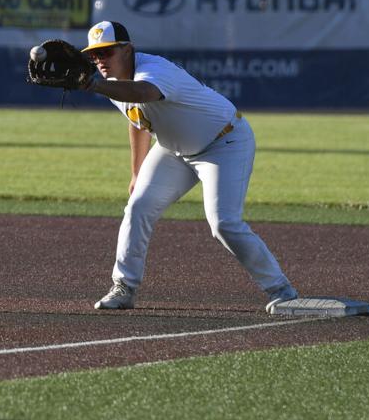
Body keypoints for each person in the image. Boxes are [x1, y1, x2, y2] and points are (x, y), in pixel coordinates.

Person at [79, 20, 298, 313]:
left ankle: (281, 290)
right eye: (94, 55)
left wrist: (93, 84)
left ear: (128, 50)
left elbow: (143, 94)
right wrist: (136, 171)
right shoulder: (114, 84)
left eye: (106, 52)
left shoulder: (155, 70)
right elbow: (137, 119)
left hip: (224, 144)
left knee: (223, 223)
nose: (99, 60)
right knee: (138, 206)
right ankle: (124, 287)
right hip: (174, 150)